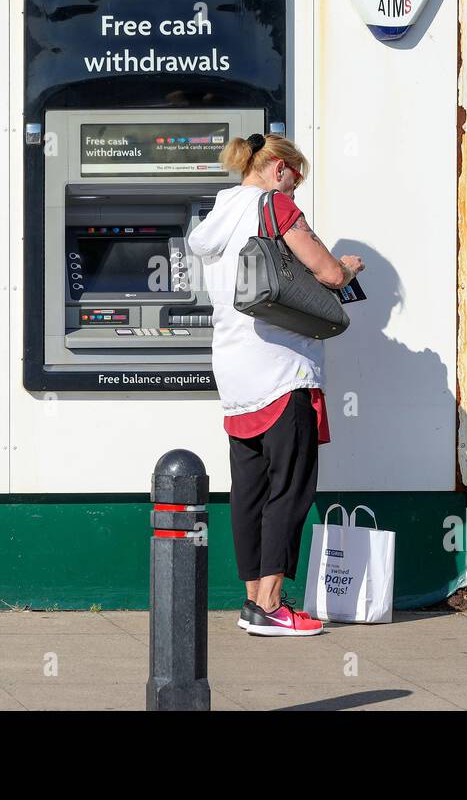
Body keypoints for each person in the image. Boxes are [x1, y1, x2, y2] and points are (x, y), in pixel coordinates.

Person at [187, 133, 365, 637]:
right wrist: (346, 268)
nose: (298, 182)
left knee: (249, 491)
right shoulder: (276, 206)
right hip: (283, 371)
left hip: (236, 373)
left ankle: (252, 604)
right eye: (297, 172)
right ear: (277, 169)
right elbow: (327, 272)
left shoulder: (216, 219)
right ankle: (272, 605)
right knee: (290, 488)